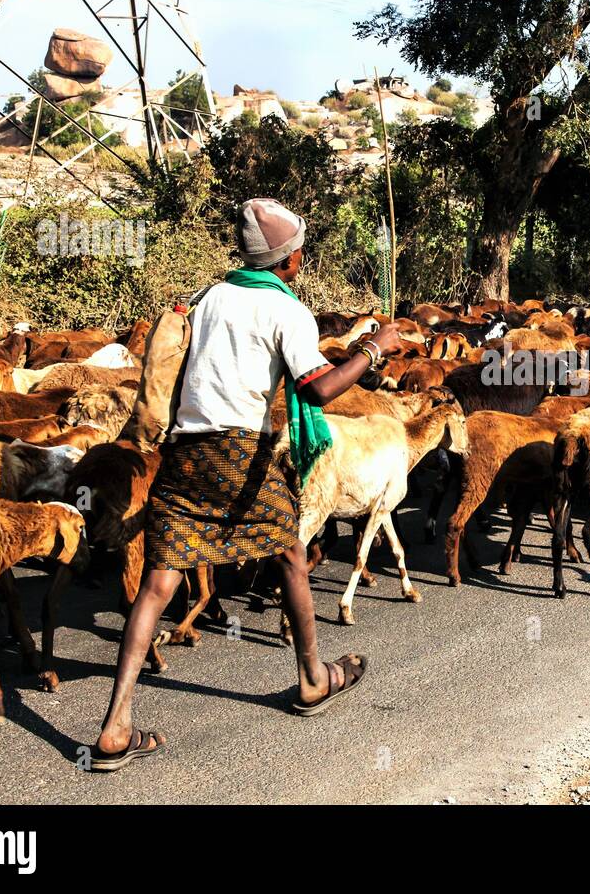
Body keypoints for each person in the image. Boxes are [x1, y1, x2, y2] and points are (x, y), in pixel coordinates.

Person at [89, 197, 401, 771]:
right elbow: (318, 391)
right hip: (240, 450)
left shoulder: (206, 297)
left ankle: (114, 728)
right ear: (290, 259)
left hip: (184, 453)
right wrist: (374, 349)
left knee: (158, 584)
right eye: (300, 251)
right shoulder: (287, 312)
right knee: (289, 555)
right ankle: (312, 679)